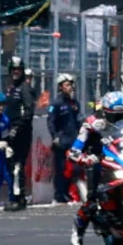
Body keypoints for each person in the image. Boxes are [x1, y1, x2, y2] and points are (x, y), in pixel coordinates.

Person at [68, 90, 123, 245]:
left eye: (122, 115)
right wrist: (84, 158)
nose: (119, 120)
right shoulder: (92, 123)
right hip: (99, 161)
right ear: (105, 113)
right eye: (115, 116)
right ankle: (78, 228)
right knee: (92, 200)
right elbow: (74, 150)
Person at [3, 57, 39, 208]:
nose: (16, 72)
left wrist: (18, 127)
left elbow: (29, 111)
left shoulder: (24, 88)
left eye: (18, 70)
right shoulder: (11, 88)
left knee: (18, 165)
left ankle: (19, 198)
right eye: (13, 69)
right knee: (10, 165)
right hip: (10, 131)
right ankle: (15, 196)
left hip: (21, 133)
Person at [48, 74, 81, 205]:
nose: (70, 87)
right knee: (60, 169)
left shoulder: (74, 103)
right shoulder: (56, 103)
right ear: (61, 87)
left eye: (71, 85)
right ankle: (59, 195)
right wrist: (54, 136)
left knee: (74, 168)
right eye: (67, 85)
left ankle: (68, 192)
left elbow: (78, 120)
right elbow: (51, 121)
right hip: (61, 141)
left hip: (73, 140)